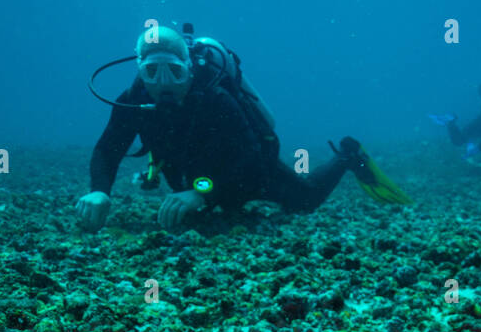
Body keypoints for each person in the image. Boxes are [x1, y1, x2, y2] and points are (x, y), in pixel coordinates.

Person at [77, 24, 409, 232]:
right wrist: (99, 190)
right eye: (152, 71)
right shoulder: (132, 100)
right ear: (139, 70)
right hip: (194, 175)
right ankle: (205, 197)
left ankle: (348, 156)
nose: (163, 83)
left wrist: (202, 192)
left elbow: (250, 160)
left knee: (304, 200)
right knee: (198, 217)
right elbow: (108, 148)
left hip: (244, 171)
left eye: (174, 72)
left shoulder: (216, 98)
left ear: (189, 69)